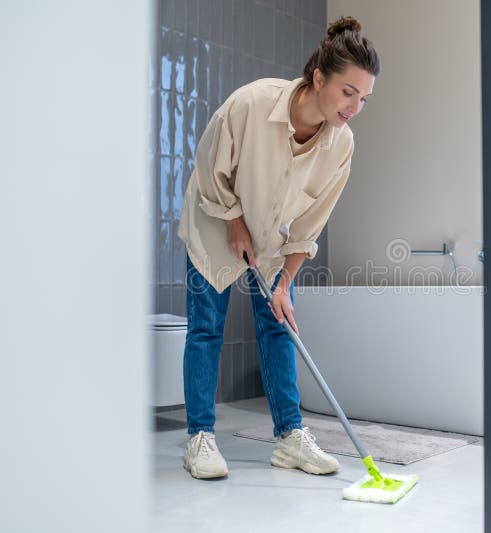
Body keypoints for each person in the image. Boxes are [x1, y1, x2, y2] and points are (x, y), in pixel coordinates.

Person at [176, 16, 380, 479]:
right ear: (319, 77)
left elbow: (310, 223)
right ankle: (199, 437)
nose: (356, 106)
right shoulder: (251, 104)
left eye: (364, 98)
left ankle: (290, 438)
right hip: (214, 221)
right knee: (207, 326)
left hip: (271, 242)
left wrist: (285, 284)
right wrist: (232, 218)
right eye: (348, 92)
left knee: (279, 325)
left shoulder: (340, 145)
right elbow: (209, 167)